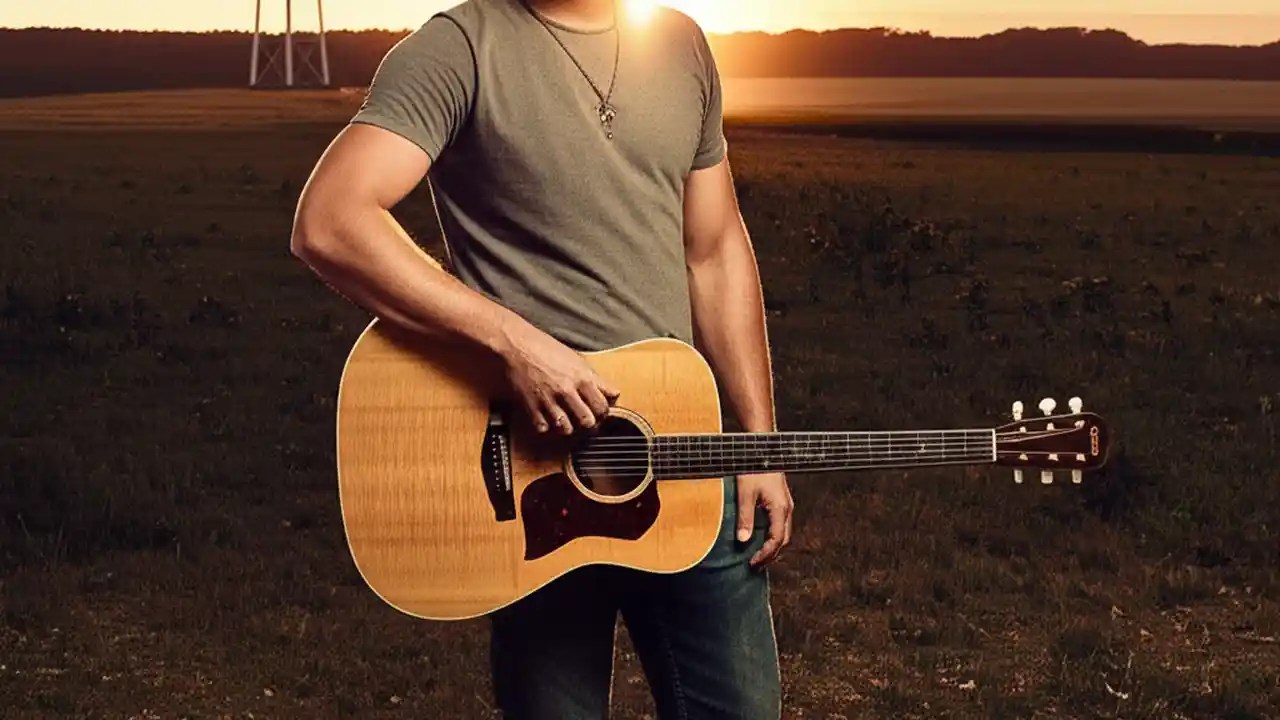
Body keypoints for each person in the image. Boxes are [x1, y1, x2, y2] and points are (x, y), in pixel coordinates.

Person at [290, 0, 792, 716]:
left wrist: (761, 443)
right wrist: (511, 341)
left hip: (681, 456)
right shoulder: (458, 48)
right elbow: (331, 220)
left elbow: (712, 253)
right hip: (530, 475)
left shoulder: (681, 45)